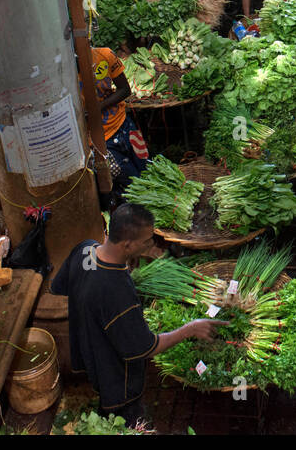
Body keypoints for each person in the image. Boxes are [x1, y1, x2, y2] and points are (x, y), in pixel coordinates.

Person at [51, 204, 220, 426]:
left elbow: (59, 287)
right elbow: (145, 349)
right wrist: (191, 328)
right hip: (115, 376)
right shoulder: (117, 292)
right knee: (126, 416)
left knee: (100, 391)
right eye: (147, 241)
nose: (151, 245)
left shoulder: (85, 249)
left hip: (86, 353)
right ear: (127, 244)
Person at [86, 45, 150, 195]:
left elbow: (125, 89)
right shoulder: (65, 77)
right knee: (132, 184)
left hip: (125, 126)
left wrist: (98, 108)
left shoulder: (104, 55)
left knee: (147, 169)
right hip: (101, 142)